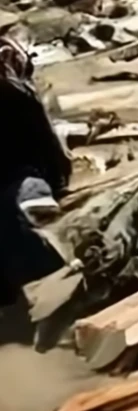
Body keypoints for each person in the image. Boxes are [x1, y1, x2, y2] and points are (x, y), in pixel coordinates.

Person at [0, 37, 69, 305]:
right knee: (30, 203)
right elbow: (47, 143)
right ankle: (44, 281)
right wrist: (58, 180)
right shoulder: (17, 95)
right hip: (16, 179)